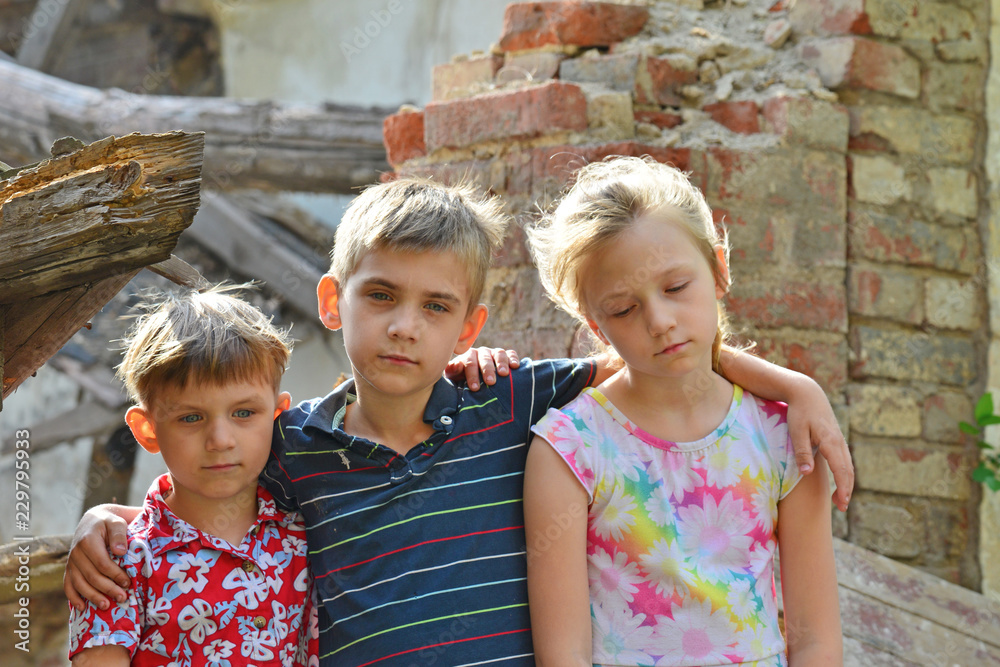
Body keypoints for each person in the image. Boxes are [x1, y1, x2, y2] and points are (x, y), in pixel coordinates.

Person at [65, 177, 851, 666]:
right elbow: (211, 477)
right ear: (334, 301)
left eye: (435, 307)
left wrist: (795, 388)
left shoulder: (508, 402)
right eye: (382, 297)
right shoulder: (292, 443)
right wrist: (110, 519)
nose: (406, 326)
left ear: (467, 328)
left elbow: (651, 357)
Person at [522, 156, 842, 666]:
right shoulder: (568, 448)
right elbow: (565, 659)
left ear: (719, 270)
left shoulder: (785, 435)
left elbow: (816, 640)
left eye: (675, 288)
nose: (660, 321)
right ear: (598, 327)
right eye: (624, 309)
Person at [67, 287, 317, 666]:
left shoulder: (308, 531)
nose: (220, 440)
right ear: (148, 431)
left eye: (244, 413)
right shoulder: (120, 562)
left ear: (278, 416)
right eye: (191, 417)